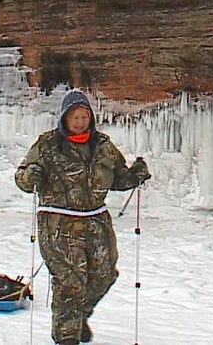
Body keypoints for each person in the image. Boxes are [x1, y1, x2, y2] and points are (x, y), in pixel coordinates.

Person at [14, 90, 151, 345]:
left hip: (96, 221)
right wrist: (29, 177)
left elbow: (118, 179)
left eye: (83, 116)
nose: (79, 122)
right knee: (70, 281)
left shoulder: (103, 146)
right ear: (65, 118)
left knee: (104, 274)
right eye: (74, 117)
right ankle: (67, 335)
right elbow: (22, 176)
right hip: (58, 223)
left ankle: (76, 318)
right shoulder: (47, 145)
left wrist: (135, 175)